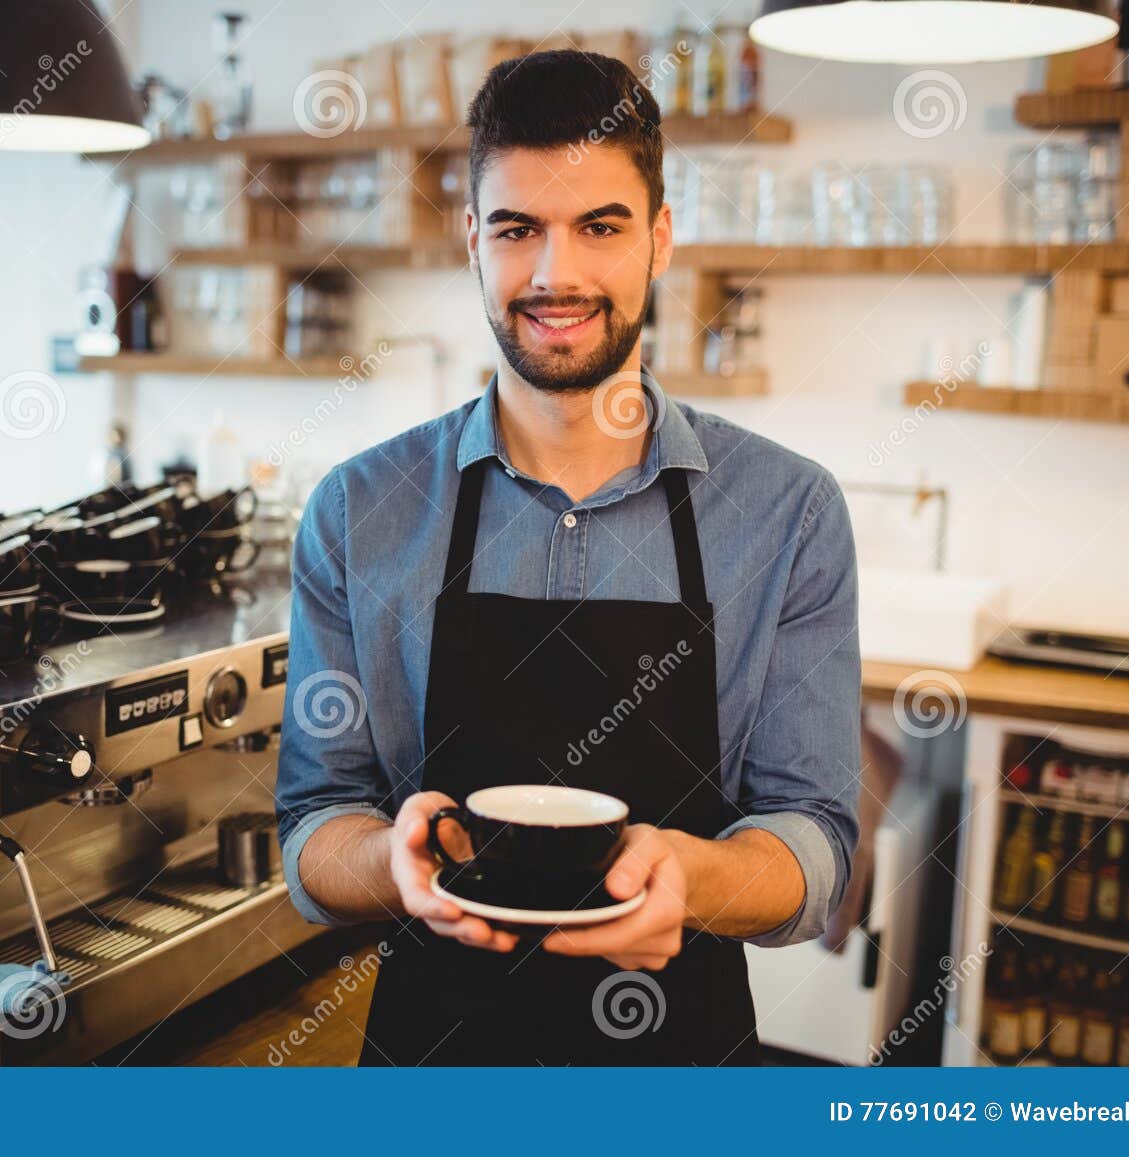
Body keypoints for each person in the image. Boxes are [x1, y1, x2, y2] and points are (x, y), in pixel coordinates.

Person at [275, 50, 859, 1066]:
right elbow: (314, 827)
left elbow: (814, 843)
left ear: (659, 238)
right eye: (517, 229)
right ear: (472, 241)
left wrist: (698, 878)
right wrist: (389, 865)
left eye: (599, 226)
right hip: (430, 1059)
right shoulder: (358, 511)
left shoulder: (787, 510)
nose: (556, 275)